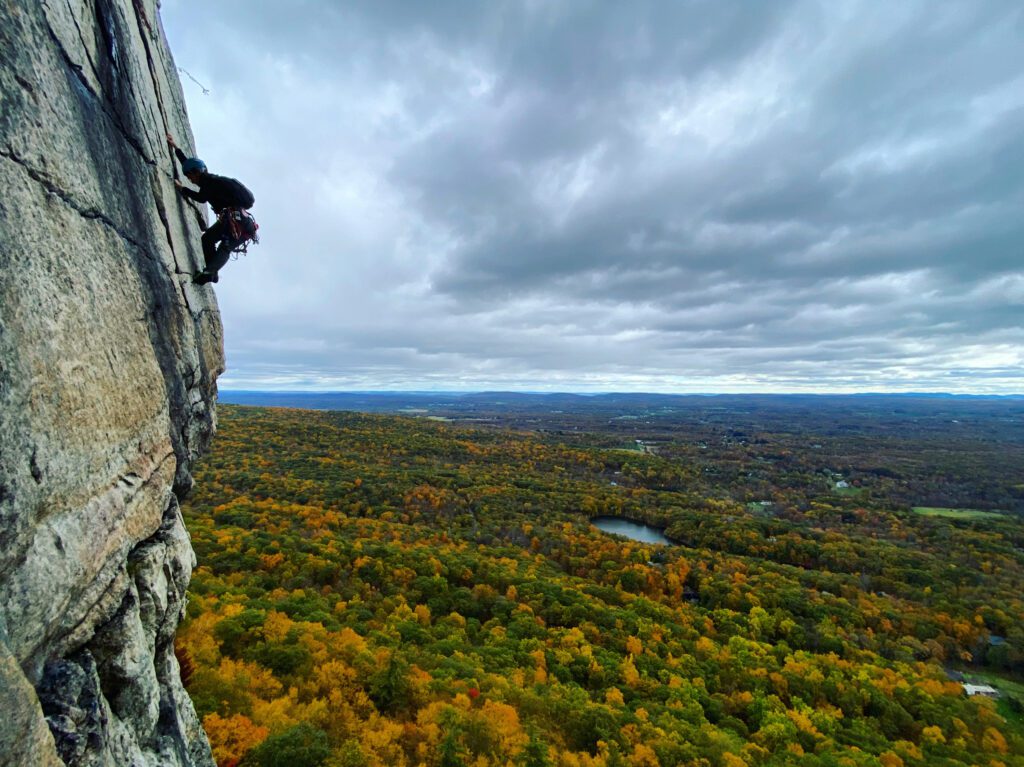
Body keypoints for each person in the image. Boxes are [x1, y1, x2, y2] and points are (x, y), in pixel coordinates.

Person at [167, 134, 257, 284]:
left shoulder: (208, 182)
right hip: (241, 221)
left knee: (225, 246)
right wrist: (176, 148)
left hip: (237, 221)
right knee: (208, 239)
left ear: (197, 173)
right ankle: (211, 272)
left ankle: (209, 273)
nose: (190, 180)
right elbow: (189, 165)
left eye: (190, 177)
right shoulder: (208, 180)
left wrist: (183, 189)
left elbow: (201, 198)